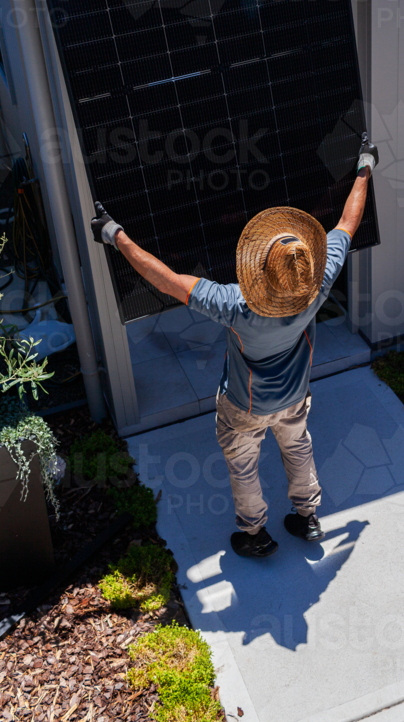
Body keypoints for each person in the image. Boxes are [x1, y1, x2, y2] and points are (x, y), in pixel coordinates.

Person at [91, 133, 379, 558]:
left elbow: (167, 280)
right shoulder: (317, 282)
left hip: (245, 405)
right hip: (295, 396)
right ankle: (308, 517)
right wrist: (365, 166)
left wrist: (114, 234)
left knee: (244, 464)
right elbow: (347, 223)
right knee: (298, 446)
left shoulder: (236, 305)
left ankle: (254, 533)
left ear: (261, 265)